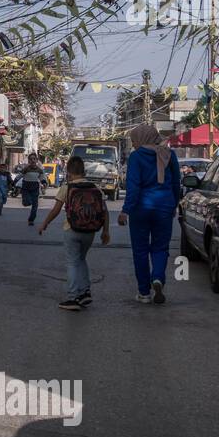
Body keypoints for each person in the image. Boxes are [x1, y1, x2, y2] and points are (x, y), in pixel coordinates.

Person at [118, 122, 183, 304]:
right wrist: (173, 205)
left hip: (141, 208)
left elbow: (133, 186)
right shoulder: (169, 154)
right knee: (161, 247)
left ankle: (144, 292)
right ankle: (157, 278)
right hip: (164, 206)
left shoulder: (136, 157)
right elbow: (176, 183)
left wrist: (125, 210)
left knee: (140, 250)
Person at [38, 156, 110, 310]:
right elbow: (105, 211)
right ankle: (85, 293)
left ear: (69, 171)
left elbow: (56, 210)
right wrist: (106, 231)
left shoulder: (67, 187)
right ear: (83, 171)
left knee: (72, 262)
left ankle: (72, 298)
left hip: (71, 229)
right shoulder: (95, 187)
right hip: (90, 231)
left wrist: (45, 223)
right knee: (81, 260)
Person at [19, 153, 46, 225]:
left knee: (35, 205)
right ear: (29, 161)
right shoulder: (26, 169)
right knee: (27, 202)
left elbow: (42, 178)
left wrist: (44, 185)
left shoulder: (39, 170)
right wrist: (13, 182)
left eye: (34, 159)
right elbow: (20, 176)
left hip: (35, 188)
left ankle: (31, 220)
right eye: (31, 159)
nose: (33, 160)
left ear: (36, 160)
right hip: (26, 188)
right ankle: (25, 202)